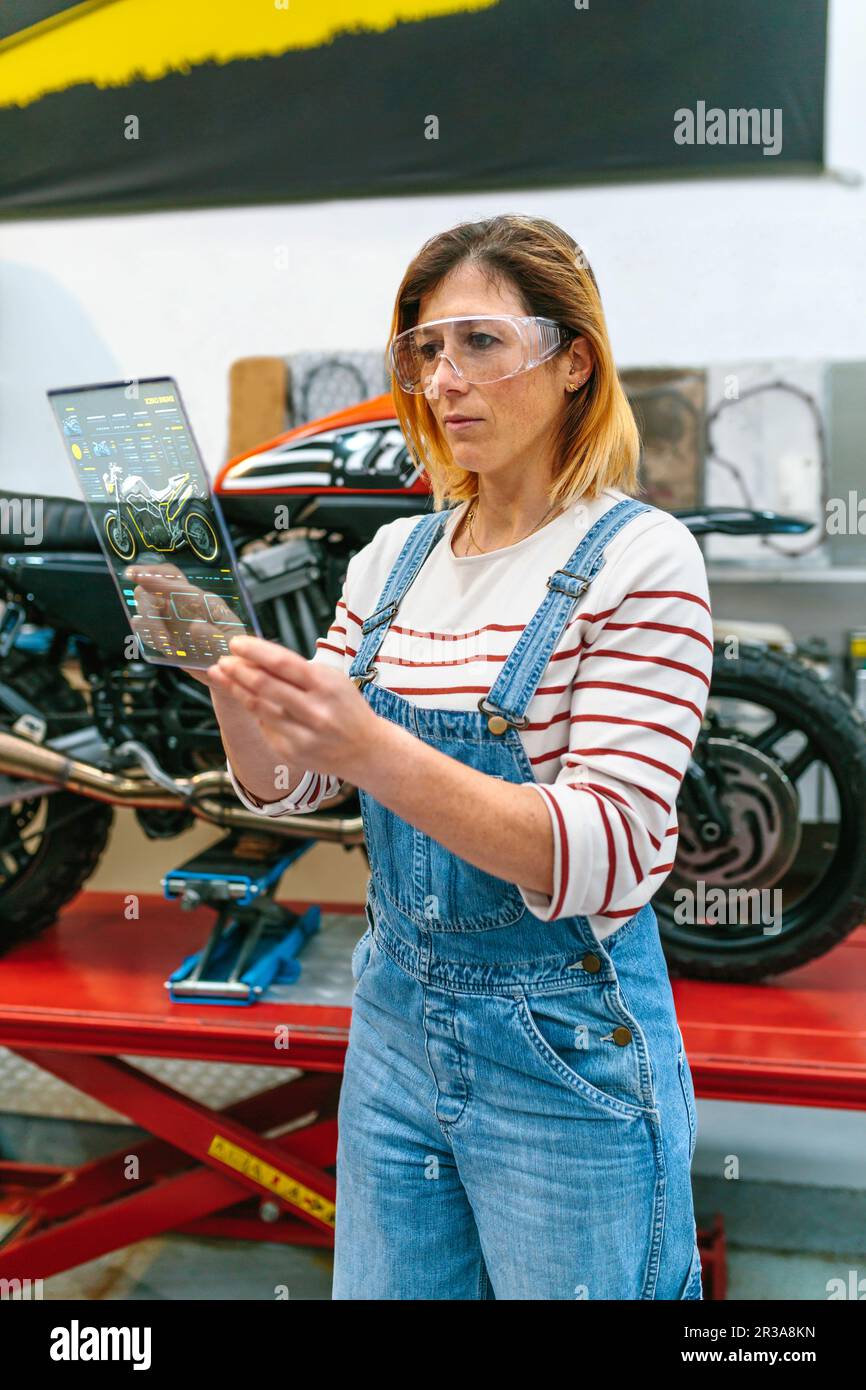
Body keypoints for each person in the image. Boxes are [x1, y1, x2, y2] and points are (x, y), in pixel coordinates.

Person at [200, 214, 710, 1300]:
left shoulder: (640, 560)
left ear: (574, 361)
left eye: (479, 342)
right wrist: (230, 683)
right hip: (394, 1019)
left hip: (561, 1041)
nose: (445, 380)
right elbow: (298, 783)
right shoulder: (393, 556)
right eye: (425, 351)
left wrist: (369, 745)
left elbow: (607, 852)